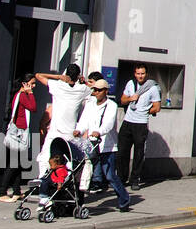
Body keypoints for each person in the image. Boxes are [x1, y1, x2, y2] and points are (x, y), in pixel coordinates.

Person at [75, 77, 130, 212]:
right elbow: (84, 121)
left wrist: (98, 132)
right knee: (84, 171)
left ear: (105, 91)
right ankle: (82, 199)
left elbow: (109, 124)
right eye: (95, 90)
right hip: (91, 144)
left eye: (99, 90)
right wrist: (79, 130)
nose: (97, 92)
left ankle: (124, 200)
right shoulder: (90, 105)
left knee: (110, 175)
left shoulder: (111, 105)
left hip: (107, 145)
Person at [34, 64, 90, 183]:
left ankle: (43, 184)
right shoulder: (82, 90)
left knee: (44, 157)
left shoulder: (57, 86)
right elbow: (93, 87)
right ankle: (64, 183)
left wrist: (59, 77)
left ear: (65, 75)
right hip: (70, 134)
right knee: (68, 161)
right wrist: (83, 81)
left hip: (55, 131)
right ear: (77, 76)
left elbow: (38, 75)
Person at [118, 63, 161, 190]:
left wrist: (146, 111)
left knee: (138, 153)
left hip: (141, 123)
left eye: (142, 74)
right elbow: (123, 100)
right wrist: (131, 98)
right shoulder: (130, 84)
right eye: (138, 73)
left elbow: (157, 107)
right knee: (122, 152)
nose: (140, 76)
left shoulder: (152, 88)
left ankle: (135, 179)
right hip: (127, 122)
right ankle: (121, 178)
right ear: (134, 74)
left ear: (146, 74)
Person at [0, 75, 38, 201]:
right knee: (14, 164)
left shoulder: (19, 95)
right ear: (25, 84)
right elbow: (33, 107)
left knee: (18, 164)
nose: (34, 86)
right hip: (19, 134)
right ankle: (2, 192)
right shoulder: (23, 96)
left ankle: (16, 191)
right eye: (32, 83)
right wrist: (30, 93)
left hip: (18, 133)